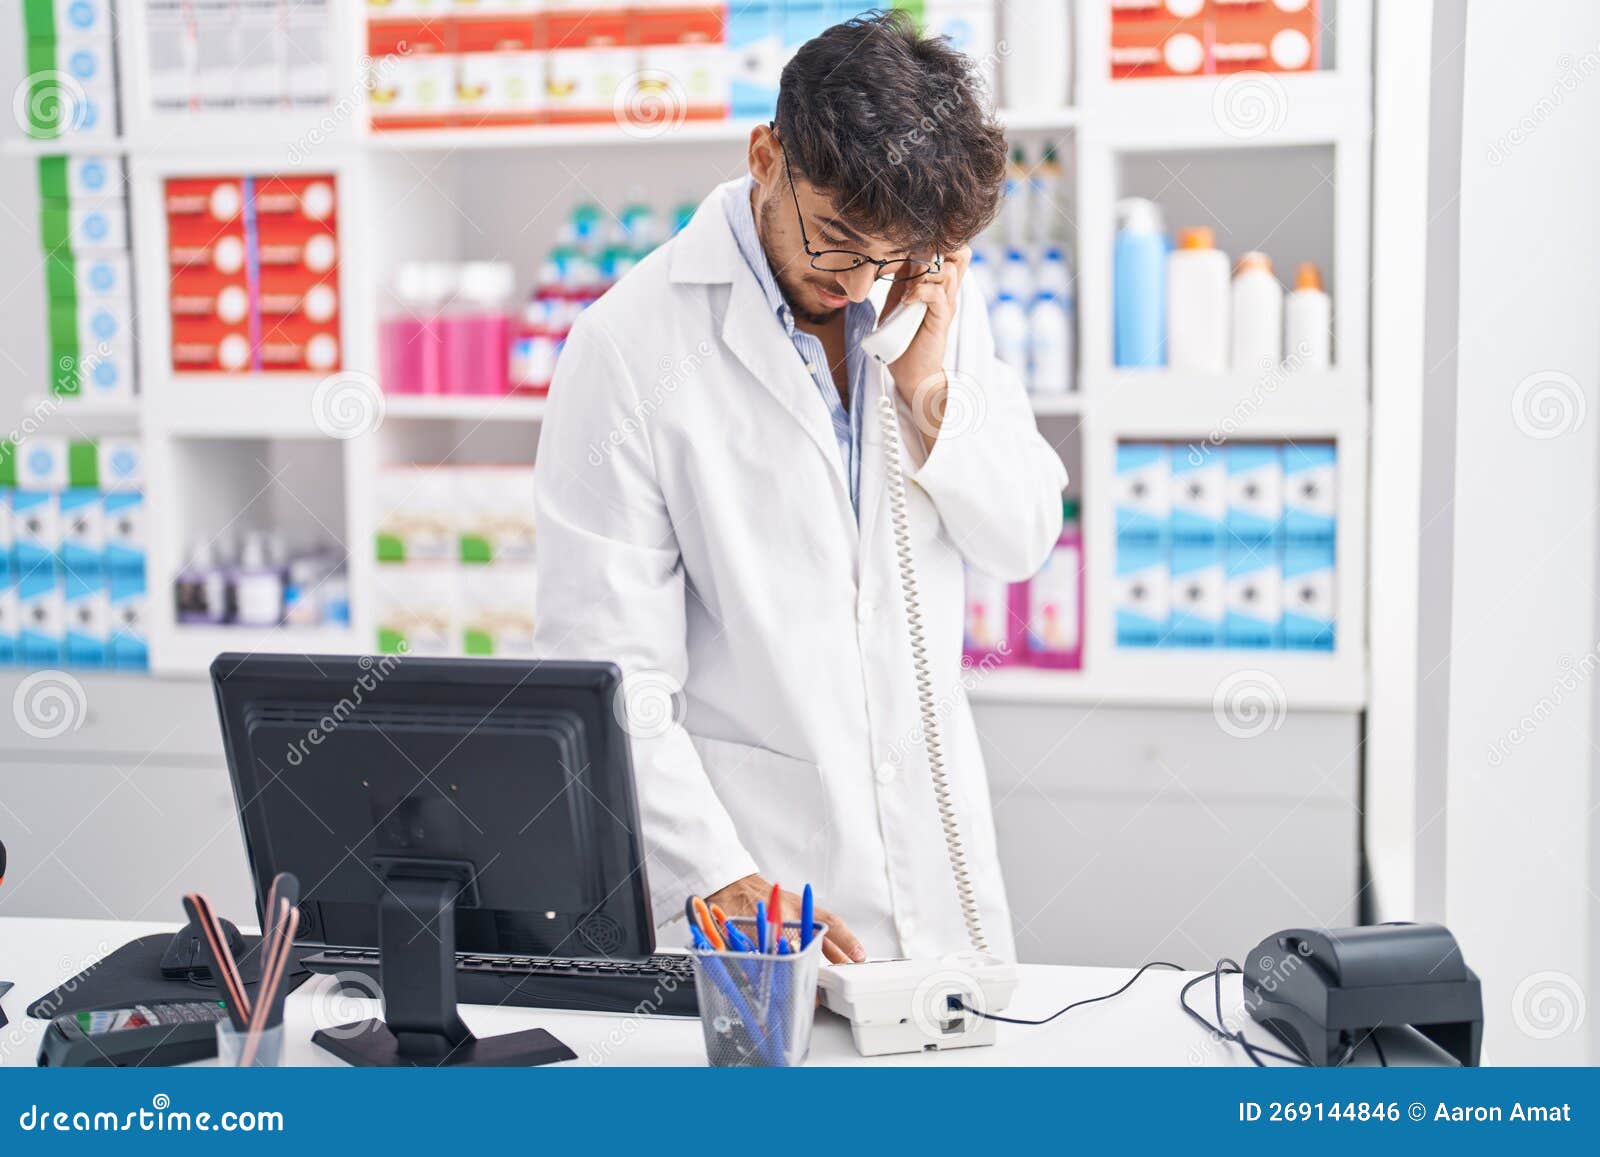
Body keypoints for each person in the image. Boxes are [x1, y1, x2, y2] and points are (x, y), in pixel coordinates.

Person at [533, 12, 1067, 962]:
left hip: (938, 891)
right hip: (759, 889)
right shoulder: (627, 347)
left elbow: (1022, 536)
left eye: (890, 254)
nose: (859, 284)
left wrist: (932, 395)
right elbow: (611, 673)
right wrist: (715, 875)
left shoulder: (928, 302)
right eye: (835, 241)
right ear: (765, 157)